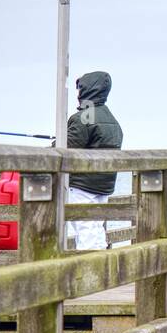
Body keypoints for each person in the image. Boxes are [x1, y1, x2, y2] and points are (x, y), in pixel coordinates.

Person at [66, 70, 124, 250]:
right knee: (95, 226)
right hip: (104, 184)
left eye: (80, 89)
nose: (78, 93)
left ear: (87, 90)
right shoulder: (110, 117)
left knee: (85, 228)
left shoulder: (83, 117)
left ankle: (90, 271)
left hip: (84, 183)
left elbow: (68, 147)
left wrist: (54, 145)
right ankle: (102, 267)